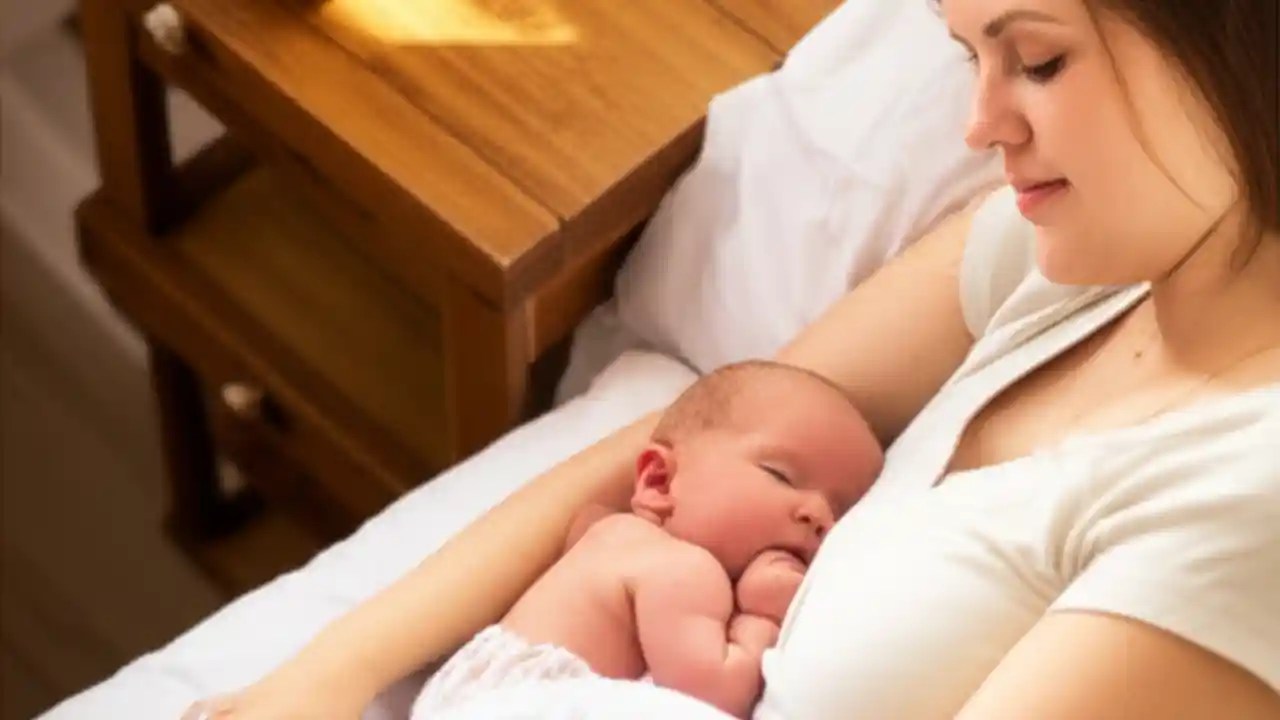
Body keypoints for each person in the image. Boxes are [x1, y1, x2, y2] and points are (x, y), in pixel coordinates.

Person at [189, 0, 1280, 717]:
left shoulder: (1244, 500)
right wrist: (313, 683)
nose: (976, 125)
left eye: (1035, 61)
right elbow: (683, 445)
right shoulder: (1055, 251)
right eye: (966, 60)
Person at [409, 361, 881, 718]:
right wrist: (761, 616)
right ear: (658, 482)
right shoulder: (683, 570)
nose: (818, 514)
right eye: (781, 475)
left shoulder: (604, 534)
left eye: (841, 512)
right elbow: (713, 693)